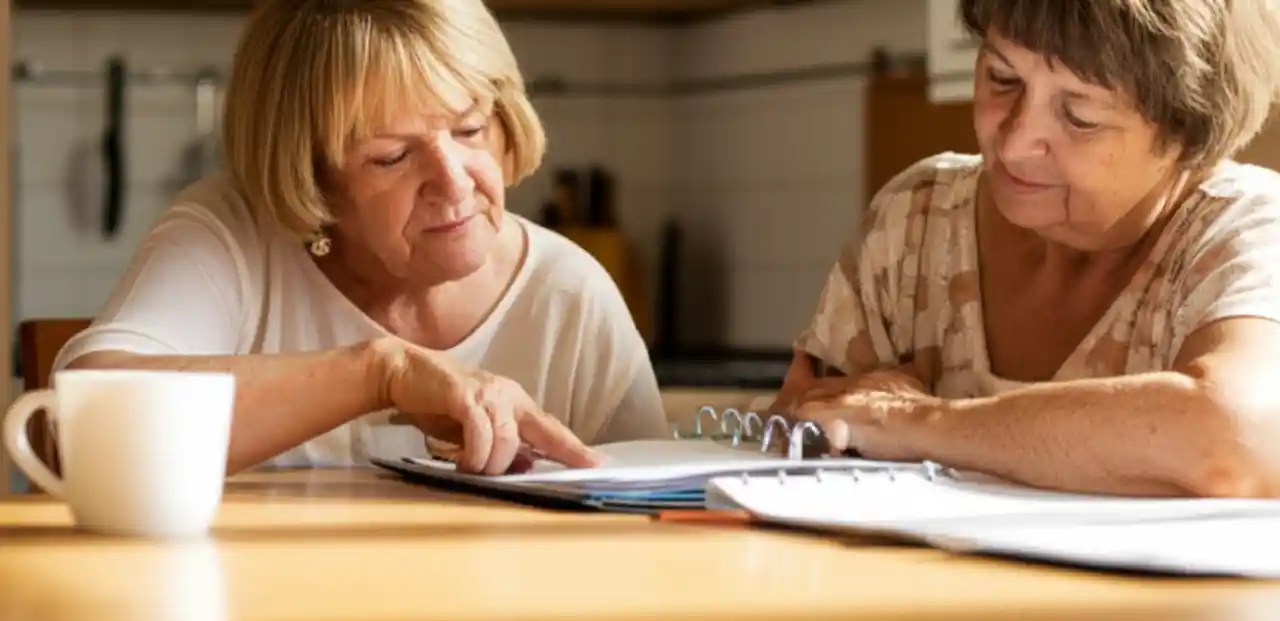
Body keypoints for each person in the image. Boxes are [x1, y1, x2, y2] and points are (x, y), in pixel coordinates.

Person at [53, 0, 668, 475]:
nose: (453, 183)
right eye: (393, 156)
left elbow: (658, 516)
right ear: (313, 177)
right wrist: (379, 373)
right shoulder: (231, 236)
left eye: (470, 129)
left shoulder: (567, 291)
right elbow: (78, 428)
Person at [778, 0, 1280, 497]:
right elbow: (809, 422)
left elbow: (1235, 439)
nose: (1016, 142)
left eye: (1080, 117)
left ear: (1186, 135)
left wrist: (921, 424)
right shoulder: (916, 220)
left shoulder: (1246, 232)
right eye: (1002, 78)